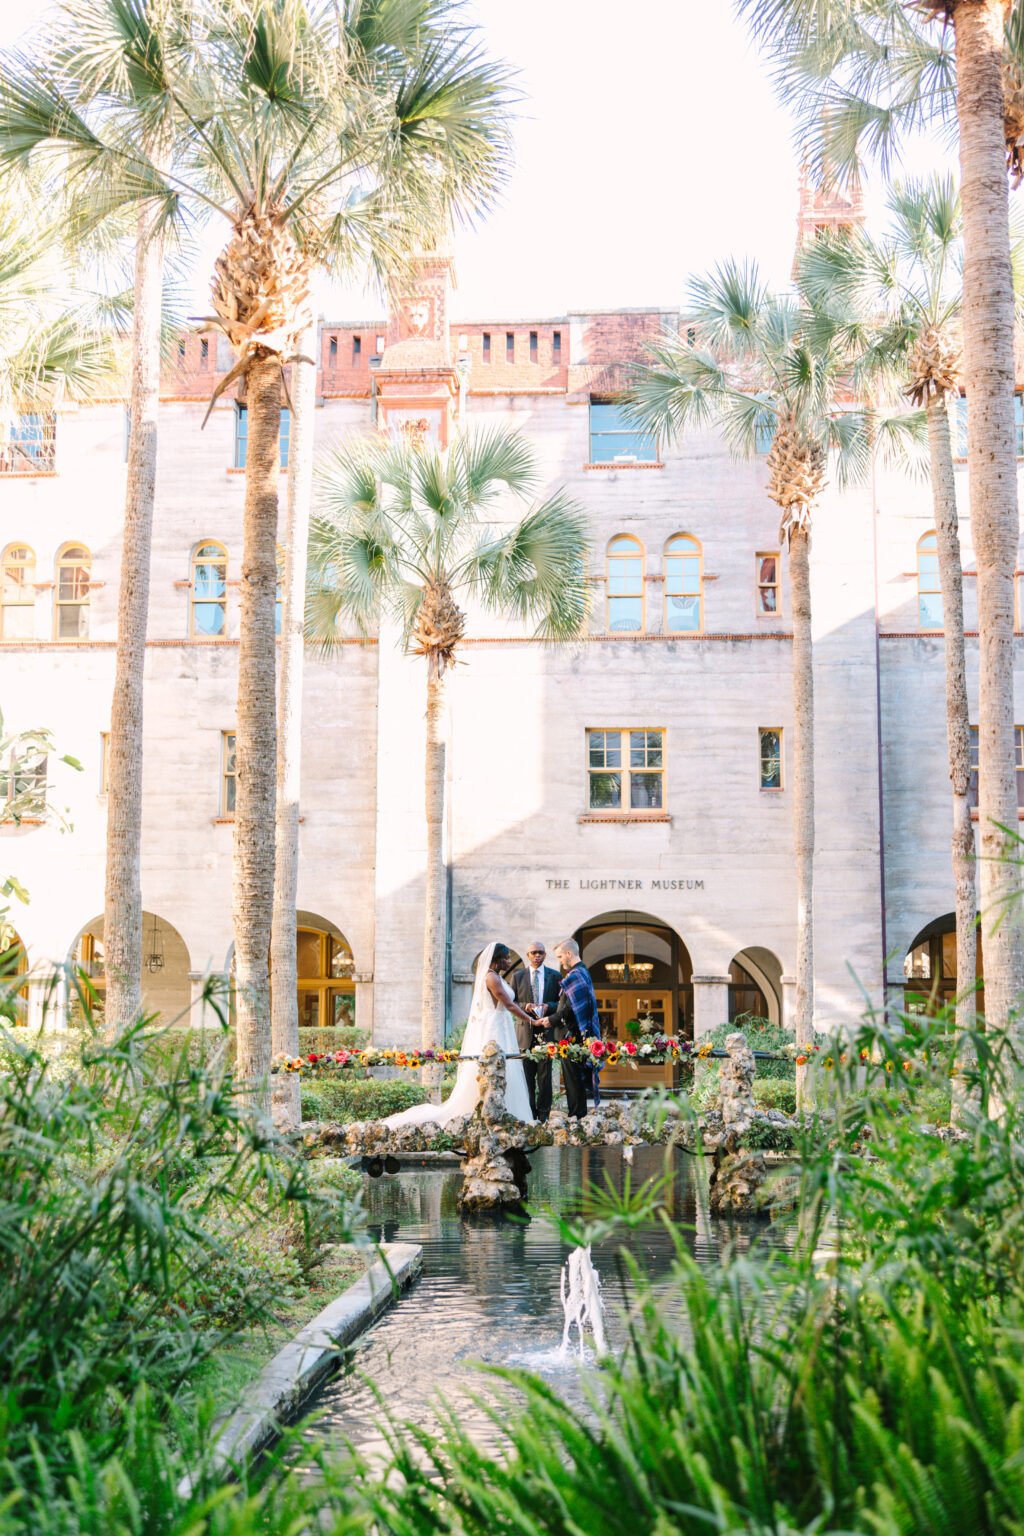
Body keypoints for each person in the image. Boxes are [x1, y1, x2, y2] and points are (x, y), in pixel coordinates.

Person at [382, 941, 535, 1127]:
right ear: (497, 960)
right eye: (506, 958)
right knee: (495, 1067)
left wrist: (527, 1008)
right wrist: (532, 1020)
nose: (509, 961)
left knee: (506, 1069)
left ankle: (509, 1112)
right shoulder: (491, 978)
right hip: (494, 1027)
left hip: (501, 1024)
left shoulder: (497, 977)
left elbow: (510, 1002)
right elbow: (509, 1005)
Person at [545, 938, 600, 1119]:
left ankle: (577, 1117)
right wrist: (548, 1008)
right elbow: (566, 1005)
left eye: (560, 956)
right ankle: (577, 1115)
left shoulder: (578, 974)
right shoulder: (579, 974)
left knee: (573, 1079)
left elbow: (570, 1009)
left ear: (569, 954)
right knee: (572, 1079)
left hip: (573, 1036)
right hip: (570, 1035)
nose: (559, 961)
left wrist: (550, 1020)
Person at [509, 941, 561, 1120]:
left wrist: (549, 1006)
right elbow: (511, 1003)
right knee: (527, 1077)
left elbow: (561, 1003)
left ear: (545, 955)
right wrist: (526, 1006)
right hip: (525, 1032)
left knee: (545, 1077)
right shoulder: (517, 977)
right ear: (528, 955)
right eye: (534, 952)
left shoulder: (555, 976)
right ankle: (529, 1114)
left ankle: (544, 1115)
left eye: (540, 953)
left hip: (546, 1030)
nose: (537, 955)